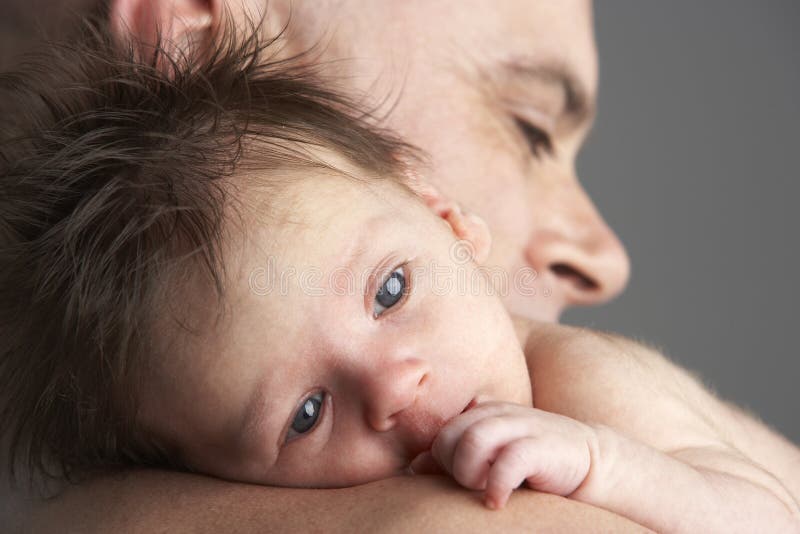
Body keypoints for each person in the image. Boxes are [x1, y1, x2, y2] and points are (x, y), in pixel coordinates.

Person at [2, 1, 798, 531]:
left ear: (441, 212)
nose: (393, 389)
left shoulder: (587, 387)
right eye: (305, 416)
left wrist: (603, 463)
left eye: (392, 289)